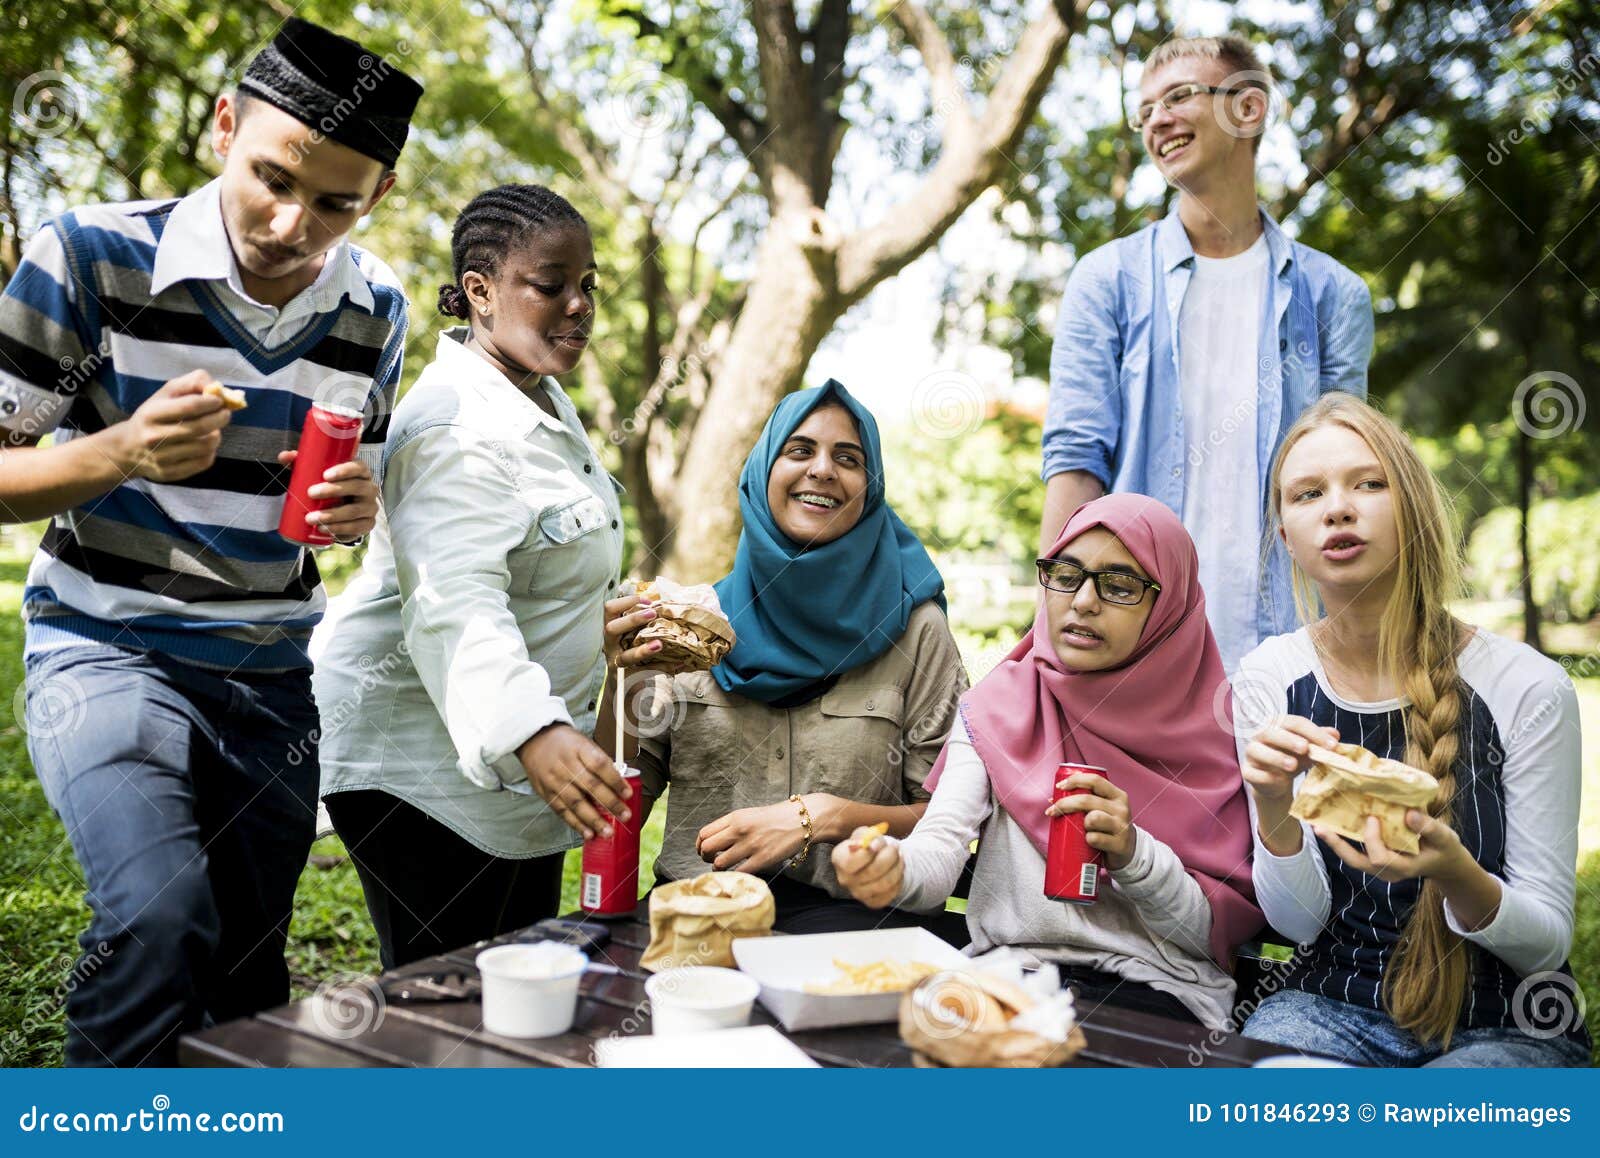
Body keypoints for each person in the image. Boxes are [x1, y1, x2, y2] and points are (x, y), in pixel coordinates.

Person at [0, 19, 421, 1065]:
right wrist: (121, 452)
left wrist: (354, 510)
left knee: (246, 965)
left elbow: (337, 491)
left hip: (270, 672)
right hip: (105, 645)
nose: (291, 223)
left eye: (335, 201)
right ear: (224, 128)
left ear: (378, 194)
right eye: (272, 177)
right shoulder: (91, 257)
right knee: (154, 914)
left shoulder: (375, 311)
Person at [315, 185, 661, 969]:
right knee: (452, 1002)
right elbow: (453, 603)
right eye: (551, 284)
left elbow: (532, 569)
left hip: (515, 771)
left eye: (589, 285)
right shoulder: (454, 428)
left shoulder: (536, 396)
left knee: (519, 986)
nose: (579, 305)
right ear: (479, 290)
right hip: (421, 773)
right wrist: (533, 732)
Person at [1236, 393, 1590, 1067]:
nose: (1338, 507)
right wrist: (1272, 804)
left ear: (1416, 510)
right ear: (1286, 533)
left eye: (1369, 484)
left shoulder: (1528, 686)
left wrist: (1455, 871)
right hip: (1332, 1005)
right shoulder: (1270, 678)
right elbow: (1299, 923)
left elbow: (1544, 944)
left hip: (1505, 1020)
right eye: (1307, 494)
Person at [834, 494, 1262, 1028]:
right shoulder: (1000, 706)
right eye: (1066, 574)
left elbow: (1207, 934)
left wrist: (1132, 852)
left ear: (1169, 608)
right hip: (1009, 985)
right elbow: (939, 848)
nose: (1083, 600)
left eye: (1120, 584)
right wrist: (891, 868)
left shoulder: (1220, 735)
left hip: (1158, 997)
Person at [1041, 34, 1374, 674]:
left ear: (1248, 109)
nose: (1155, 121)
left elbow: (1347, 476)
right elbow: (1076, 461)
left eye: (1178, 97)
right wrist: (1050, 634)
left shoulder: (1334, 294)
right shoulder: (1108, 280)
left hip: (1294, 646)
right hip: (1136, 639)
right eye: (1144, 112)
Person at [635, 380, 968, 935]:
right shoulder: (691, 623)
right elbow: (613, 808)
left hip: (858, 935)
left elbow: (945, 819)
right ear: (762, 470)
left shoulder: (916, 630)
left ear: (871, 486)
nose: (822, 469)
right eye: (799, 450)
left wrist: (825, 817)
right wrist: (622, 679)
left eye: (848, 458)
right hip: (695, 925)